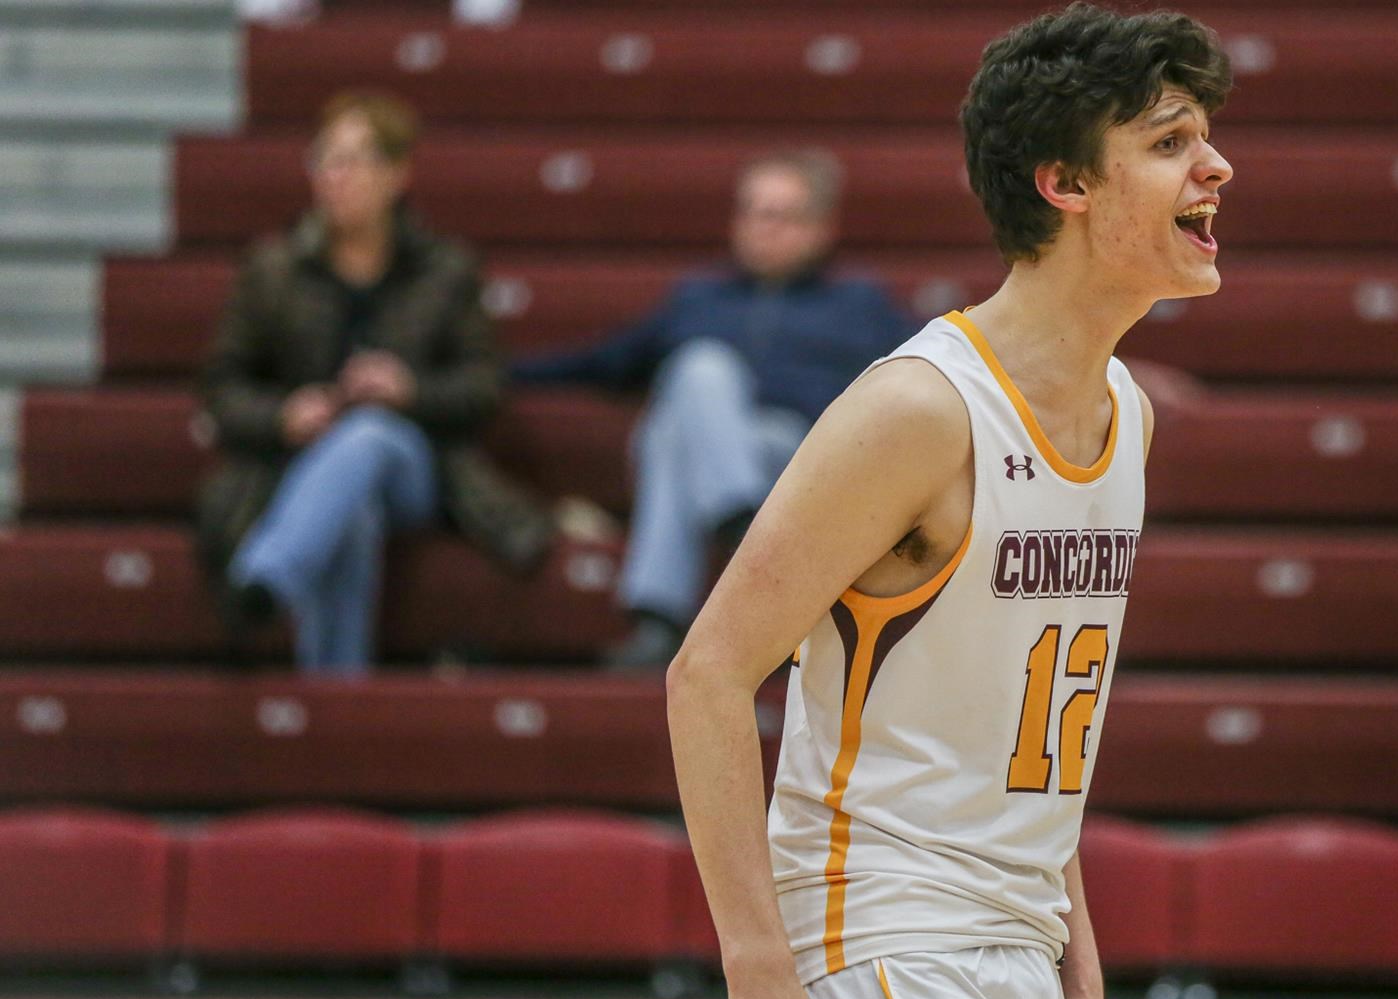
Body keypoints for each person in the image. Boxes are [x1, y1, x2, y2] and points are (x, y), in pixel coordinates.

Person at [664, 6, 1231, 999]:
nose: (1216, 164)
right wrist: (758, 976)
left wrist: (1081, 988)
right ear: (1065, 182)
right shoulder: (919, 409)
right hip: (887, 950)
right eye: (1169, 142)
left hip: (1018, 948)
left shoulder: (1123, 410)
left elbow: (1023, 744)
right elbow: (708, 675)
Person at [513, 150, 915, 670]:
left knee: (674, 431)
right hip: (726, 468)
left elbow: (918, 375)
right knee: (696, 376)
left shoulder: (859, 304)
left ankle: (658, 618)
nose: (761, 228)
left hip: (796, 459)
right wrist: (502, 373)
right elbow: (605, 360)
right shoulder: (699, 297)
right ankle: (738, 523)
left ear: (821, 228)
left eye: (780, 215)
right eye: (752, 213)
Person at [196, 90, 550, 675]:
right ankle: (336, 702)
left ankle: (264, 574)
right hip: (301, 465)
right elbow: (220, 386)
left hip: (415, 463)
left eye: (354, 160)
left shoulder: (445, 270)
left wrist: (408, 390)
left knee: (368, 436)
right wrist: (284, 414)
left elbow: (485, 387)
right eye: (324, 160)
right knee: (350, 512)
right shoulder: (272, 269)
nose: (336, 177)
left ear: (397, 174)